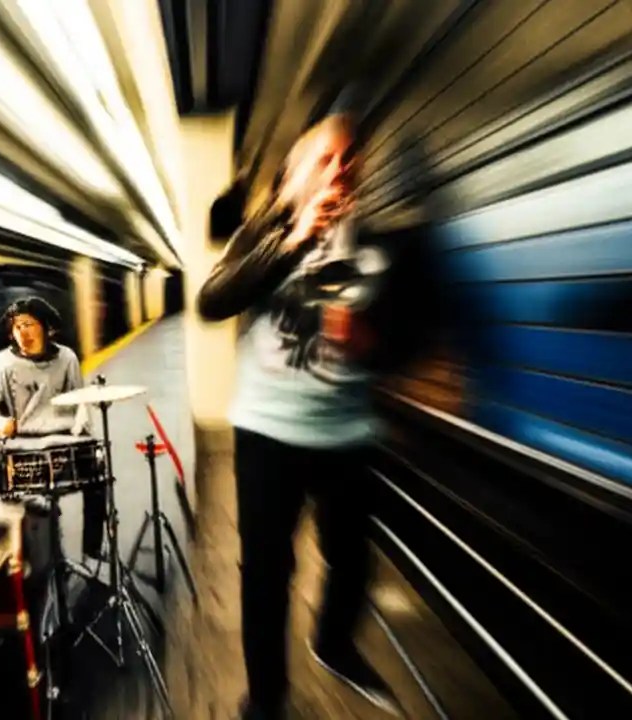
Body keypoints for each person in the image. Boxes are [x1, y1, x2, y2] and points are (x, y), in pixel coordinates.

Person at [198, 107, 437, 720]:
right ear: (297, 171)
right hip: (267, 430)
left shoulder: (382, 242)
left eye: (349, 159)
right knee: (266, 572)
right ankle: (268, 696)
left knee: (352, 558)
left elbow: (407, 342)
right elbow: (212, 300)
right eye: (325, 159)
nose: (340, 170)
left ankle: (332, 642)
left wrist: (370, 345)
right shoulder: (267, 229)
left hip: (347, 432)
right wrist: (296, 237)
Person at [0, 296, 105, 559]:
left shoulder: (67, 358)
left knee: (97, 475)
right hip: (24, 445)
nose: (22, 333)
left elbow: (81, 399)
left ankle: (92, 550)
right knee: (6, 491)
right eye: (17, 327)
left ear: (47, 328)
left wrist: (82, 422)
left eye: (29, 324)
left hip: (64, 441)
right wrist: (1, 423)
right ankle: (21, 555)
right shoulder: (3, 363)